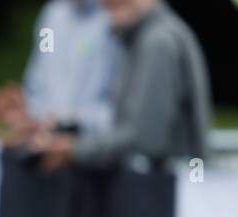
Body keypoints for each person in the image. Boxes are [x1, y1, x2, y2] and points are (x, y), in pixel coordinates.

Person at [30, 0, 212, 171]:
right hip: (165, 185)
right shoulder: (142, 37)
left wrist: (75, 150)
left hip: (171, 188)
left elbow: (146, 138)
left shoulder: (157, 42)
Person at [0, 0, 120, 145]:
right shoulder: (53, 16)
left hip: (91, 147)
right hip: (46, 142)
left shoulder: (115, 16)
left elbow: (121, 108)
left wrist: (67, 123)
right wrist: (24, 110)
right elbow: (38, 84)